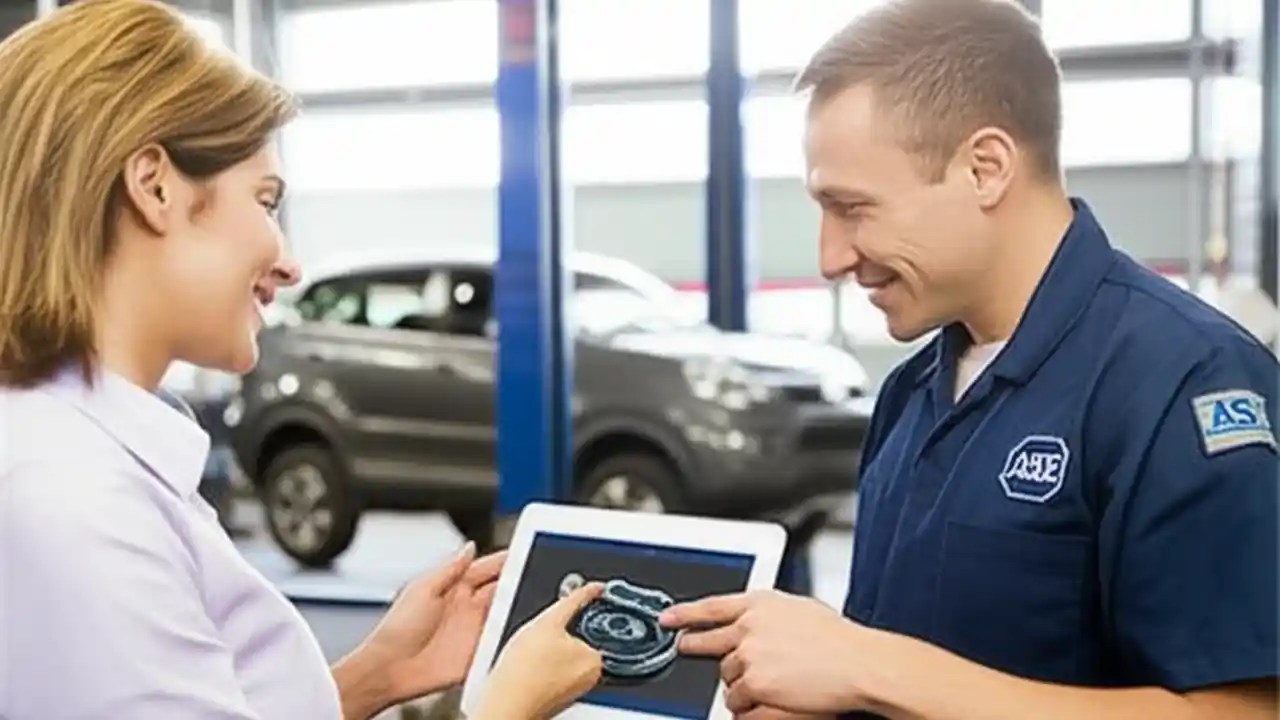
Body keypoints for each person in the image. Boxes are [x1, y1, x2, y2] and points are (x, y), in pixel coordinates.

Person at [659, 0, 1279, 718]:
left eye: (853, 207)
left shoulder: (1183, 383)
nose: (830, 257)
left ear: (985, 168)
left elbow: (1243, 713)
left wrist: (868, 666)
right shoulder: (911, 394)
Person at [0, 1, 601, 718]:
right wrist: (509, 706)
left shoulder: (82, 454)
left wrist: (374, 674)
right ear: (154, 186)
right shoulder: (75, 497)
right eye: (265, 200)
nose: (288, 263)